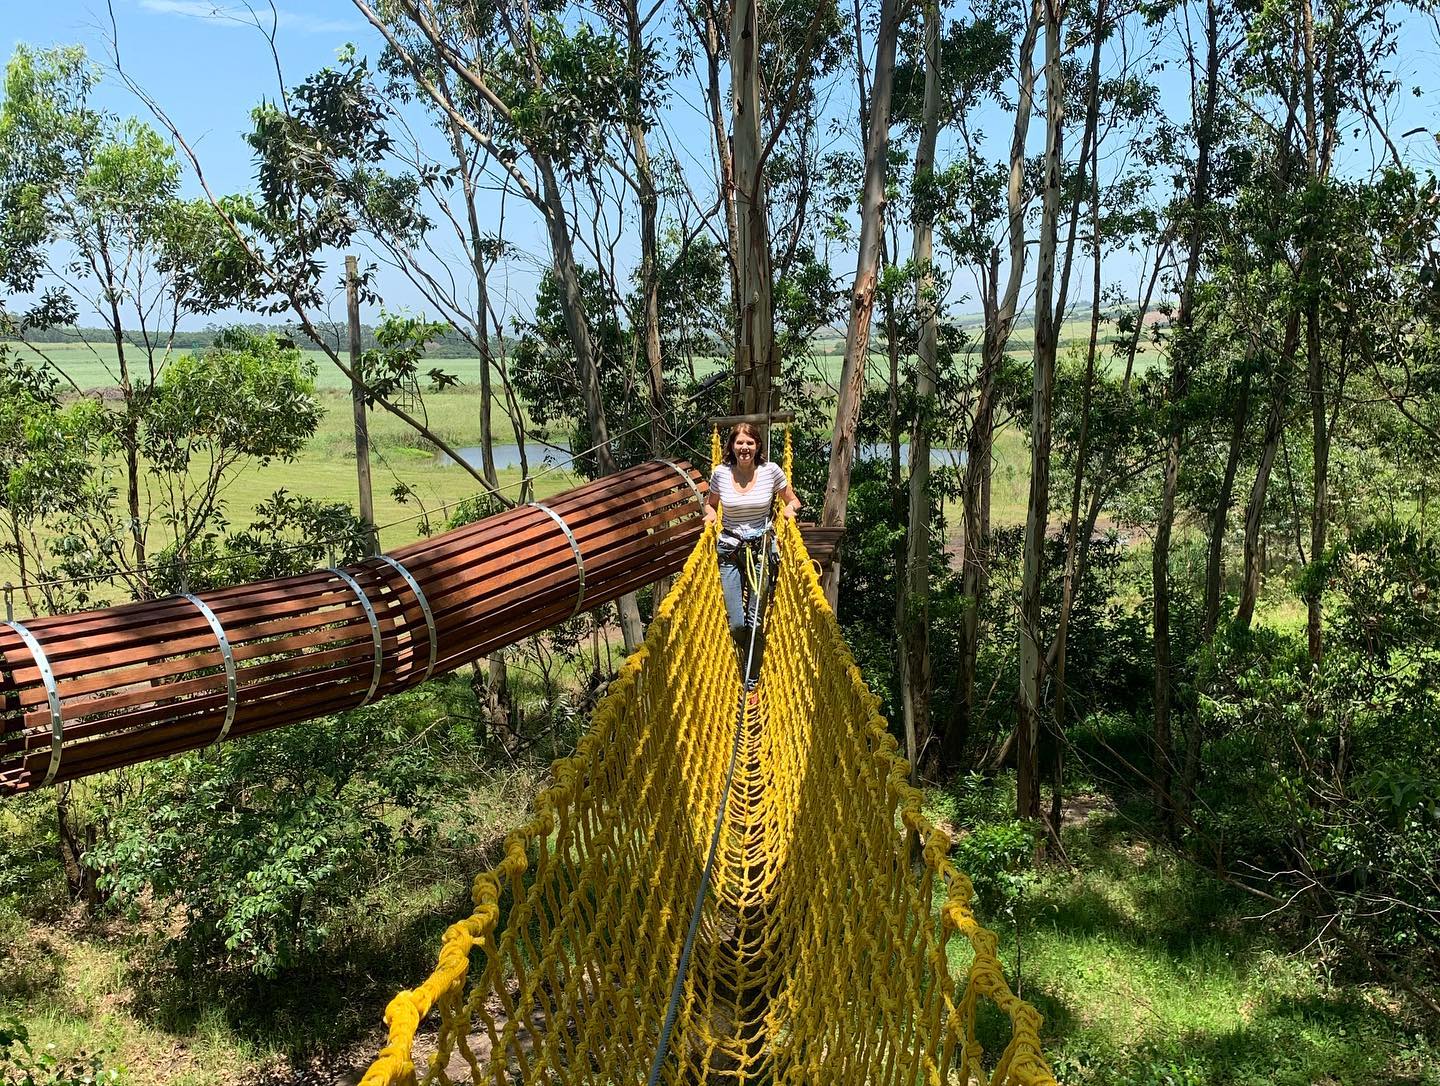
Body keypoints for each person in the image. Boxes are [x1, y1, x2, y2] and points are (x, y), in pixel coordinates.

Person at [703, 423, 801, 688]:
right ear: (731, 447)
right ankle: (744, 658)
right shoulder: (720, 474)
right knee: (736, 624)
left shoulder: (771, 472)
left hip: (760, 549)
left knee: (755, 621)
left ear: (758, 446)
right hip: (729, 550)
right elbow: (711, 505)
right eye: (739, 443)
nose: (744, 448)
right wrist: (710, 516)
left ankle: (751, 679)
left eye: (750, 443)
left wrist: (789, 511)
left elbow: (792, 500)